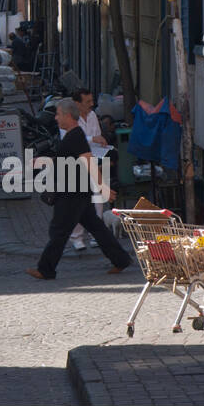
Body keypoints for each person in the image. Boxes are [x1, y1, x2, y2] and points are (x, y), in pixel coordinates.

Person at [27, 99, 131, 280]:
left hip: (72, 194)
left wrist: (103, 188)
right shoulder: (72, 135)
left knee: (59, 231)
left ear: (68, 115)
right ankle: (121, 259)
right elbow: (66, 159)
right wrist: (45, 160)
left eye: (58, 114)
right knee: (97, 228)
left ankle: (46, 269)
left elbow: (88, 162)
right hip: (77, 191)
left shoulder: (75, 135)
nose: (56, 118)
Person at [68, 89, 110, 253]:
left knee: (97, 200)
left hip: (92, 160)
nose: (92, 104)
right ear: (77, 103)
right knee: (78, 201)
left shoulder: (92, 116)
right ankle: (77, 238)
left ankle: (96, 235)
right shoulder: (69, 117)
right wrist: (93, 139)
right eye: (88, 102)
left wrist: (101, 145)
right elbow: (69, 138)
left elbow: (97, 136)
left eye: (92, 101)